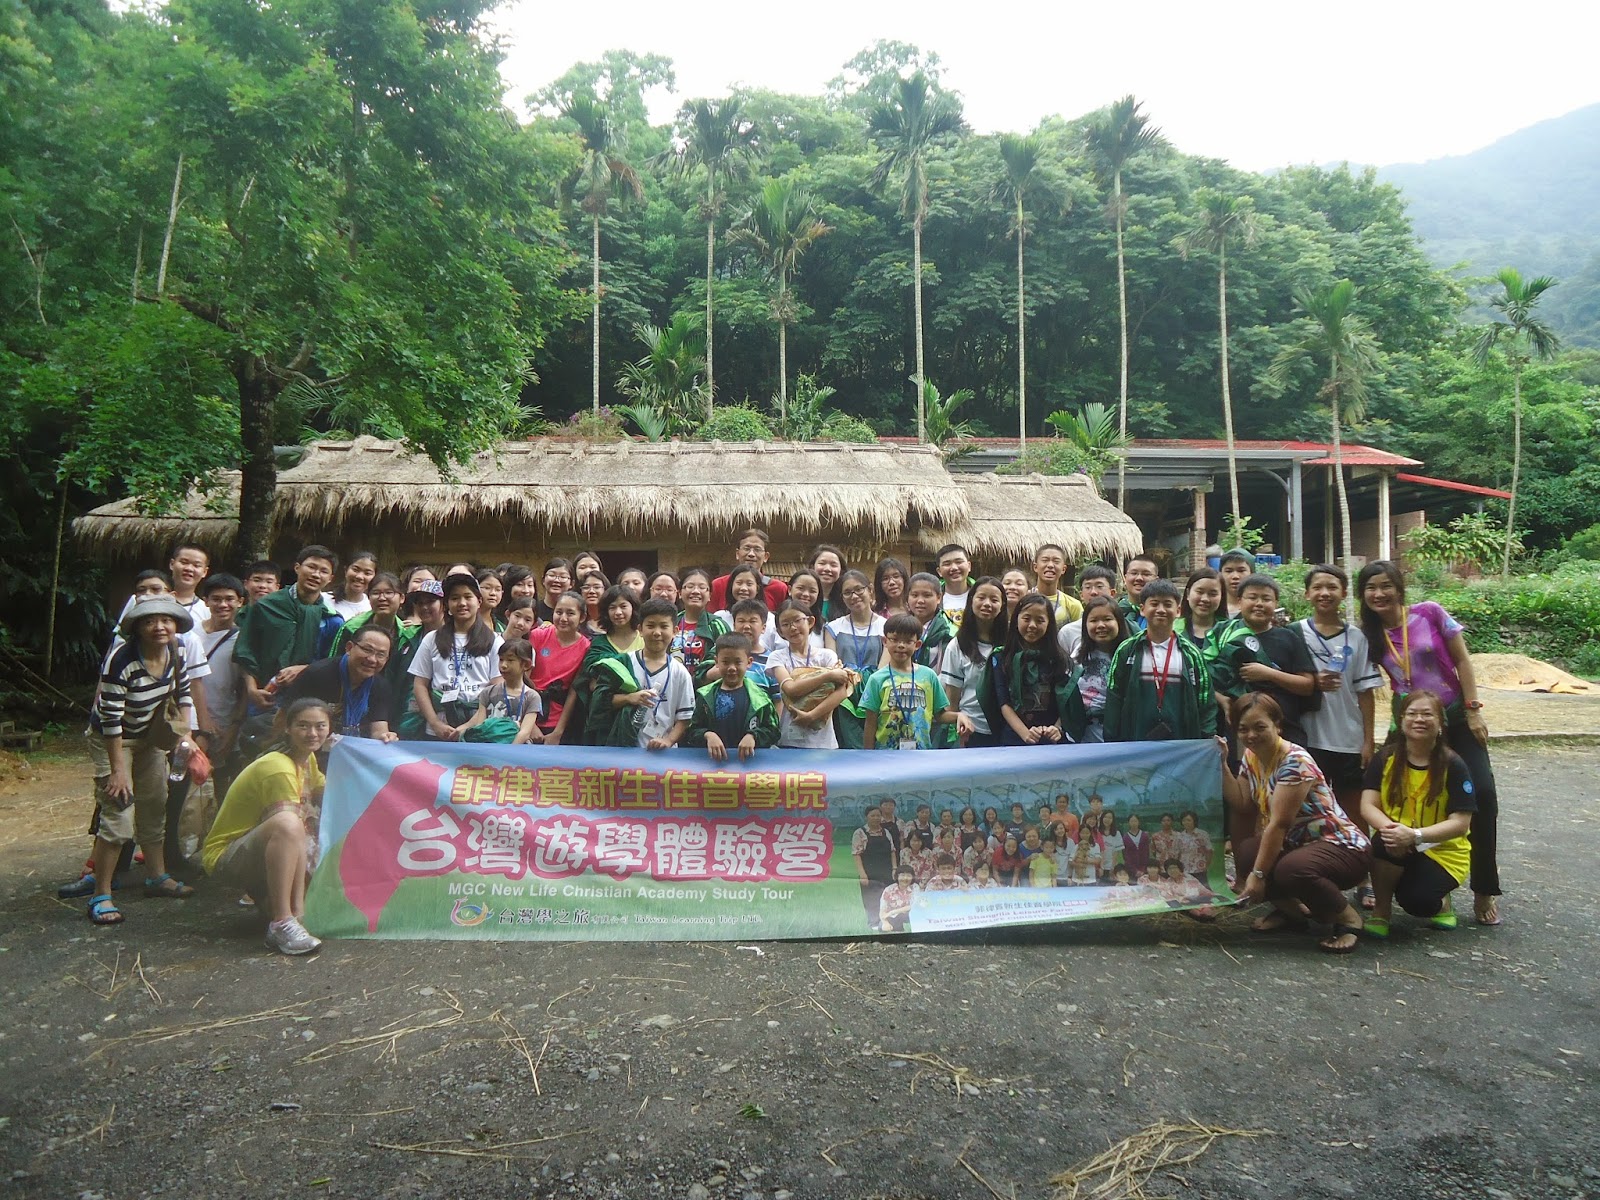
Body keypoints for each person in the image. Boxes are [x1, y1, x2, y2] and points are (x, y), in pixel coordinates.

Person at [1358, 560, 1502, 927]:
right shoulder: (1369, 636)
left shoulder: (1430, 613)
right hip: (1408, 721)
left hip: (1452, 714)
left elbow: (1462, 660)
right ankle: (1395, 886)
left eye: (1384, 585)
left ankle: (1484, 887)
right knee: (1394, 798)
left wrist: (1473, 711)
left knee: (1482, 795)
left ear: (1398, 587)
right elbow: (1364, 685)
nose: (1378, 593)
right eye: (1370, 588)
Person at [1220, 693, 1371, 953]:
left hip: (1343, 846)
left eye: (1260, 727)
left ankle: (1348, 918)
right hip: (1300, 845)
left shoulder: (1295, 761)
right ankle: (1295, 915)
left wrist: (1257, 876)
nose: (1251, 736)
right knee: (1247, 852)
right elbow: (1242, 802)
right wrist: (1220, 763)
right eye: (1243, 729)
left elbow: (1278, 824)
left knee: (1290, 868)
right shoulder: (1252, 757)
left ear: (1278, 725)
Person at [81, 596, 198, 925]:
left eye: (166, 620)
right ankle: (100, 895)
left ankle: (157, 876)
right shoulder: (122, 660)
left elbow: (183, 693)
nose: (159, 627)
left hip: (148, 739)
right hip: (113, 739)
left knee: (154, 803)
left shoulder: (177, 652)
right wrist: (117, 770)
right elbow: (110, 719)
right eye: (149, 621)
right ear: (137, 628)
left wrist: (183, 737)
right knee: (119, 811)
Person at [202, 697, 330, 955]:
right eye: (303, 726)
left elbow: (328, 794)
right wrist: (298, 911)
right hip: (228, 856)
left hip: (262, 848)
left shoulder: (307, 759)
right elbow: (291, 833)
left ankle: (278, 909)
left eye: (320, 726)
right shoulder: (278, 768)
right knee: (289, 822)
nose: (312, 733)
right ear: (288, 727)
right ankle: (284, 921)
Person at [1296, 563, 1383, 905]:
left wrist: (1367, 740)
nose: (1325, 593)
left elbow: (1365, 693)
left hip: (1347, 739)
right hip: (1306, 740)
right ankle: (1304, 881)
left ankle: (1365, 878)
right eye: (1318, 587)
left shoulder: (1357, 638)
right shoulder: (1294, 632)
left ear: (1344, 593)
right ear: (1307, 594)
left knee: (1356, 812)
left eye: (1332, 587)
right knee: (1305, 815)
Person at [1359, 691, 1476, 936]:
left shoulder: (1454, 764)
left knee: (1418, 903)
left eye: (1427, 714)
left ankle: (1443, 902)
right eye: (1412, 714)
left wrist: (1415, 835)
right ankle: (1381, 911)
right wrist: (1390, 830)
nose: (1419, 719)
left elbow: (1461, 823)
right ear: (1401, 721)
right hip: (1398, 840)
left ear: (1441, 724)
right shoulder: (1386, 758)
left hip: (1443, 851)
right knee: (1382, 842)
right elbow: (1368, 804)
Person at [1103, 580, 1217, 742]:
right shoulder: (1128, 650)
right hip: (1135, 740)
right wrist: (1112, 740)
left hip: (1181, 742)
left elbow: (1205, 700)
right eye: (1154, 604)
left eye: (1168, 604)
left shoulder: (1191, 653)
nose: (1161, 610)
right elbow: (1114, 696)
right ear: (1143, 609)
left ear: (1178, 611)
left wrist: (1207, 737)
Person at [1212, 573, 1318, 745]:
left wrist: (1269, 674)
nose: (1259, 604)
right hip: (1240, 732)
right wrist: (1223, 701)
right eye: (1252, 597)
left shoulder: (1288, 637)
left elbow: (1307, 685)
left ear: (1275, 603)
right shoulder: (1223, 634)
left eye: (1266, 598)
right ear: (1240, 601)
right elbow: (1203, 676)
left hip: (1284, 730)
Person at [234, 545, 339, 715]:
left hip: (308, 704)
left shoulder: (331, 620)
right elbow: (246, 652)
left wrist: (304, 669)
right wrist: (252, 690)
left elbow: (334, 662)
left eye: (323, 571)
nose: (315, 574)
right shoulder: (266, 607)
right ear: (297, 568)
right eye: (311, 567)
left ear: (330, 578)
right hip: (265, 697)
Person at [586, 600, 694, 750]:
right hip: (623, 751)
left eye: (664, 626)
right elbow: (599, 703)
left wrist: (668, 741)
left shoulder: (680, 673)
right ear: (640, 630)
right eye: (650, 626)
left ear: (674, 631)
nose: (657, 632)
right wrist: (628, 698)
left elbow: (685, 718)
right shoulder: (623, 663)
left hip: (663, 754)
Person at [409, 572, 504, 741]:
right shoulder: (432, 639)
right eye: (454, 598)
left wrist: (469, 726)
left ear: (479, 601)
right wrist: (435, 723)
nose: (462, 603)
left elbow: (497, 688)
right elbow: (420, 685)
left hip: (479, 727)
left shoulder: (494, 640)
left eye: (468, 597)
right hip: (439, 729)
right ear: (446, 604)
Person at [279, 623, 398, 743]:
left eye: (381, 655)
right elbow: (283, 718)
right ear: (349, 648)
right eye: (367, 650)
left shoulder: (380, 685)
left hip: (348, 749)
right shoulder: (318, 674)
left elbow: (378, 729)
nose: (372, 659)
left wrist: (385, 738)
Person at [860, 613, 958, 751]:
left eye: (907, 641)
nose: (901, 645)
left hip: (920, 754)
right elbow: (870, 722)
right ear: (885, 641)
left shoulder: (929, 676)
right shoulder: (876, 679)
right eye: (894, 639)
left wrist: (959, 716)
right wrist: (868, 755)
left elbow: (940, 715)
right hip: (884, 755)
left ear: (917, 644)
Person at [988, 593, 1070, 746]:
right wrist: (1026, 734)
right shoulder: (1001, 657)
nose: (1032, 625)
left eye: (1040, 620)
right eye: (1026, 619)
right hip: (1014, 739)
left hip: (1051, 738)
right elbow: (1004, 703)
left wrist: (1057, 728)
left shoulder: (1059, 659)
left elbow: (1065, 700)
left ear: (1049, 623)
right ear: (1016, 620)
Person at [683, 634, 780, 762]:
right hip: (712, 767)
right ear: (716, 662)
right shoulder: (705, 696)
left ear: (749, 662)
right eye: (726, 662)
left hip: (750, 768)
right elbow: (691, 730)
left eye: (738, 662)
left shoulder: (760, 699)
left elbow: (773, 730)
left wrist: (753, 736)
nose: (732, 668)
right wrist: (707, 735)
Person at [769, 601, 851, 750]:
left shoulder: (826, 655)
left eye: (797, 620)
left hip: (824, 741)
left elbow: (841, 692)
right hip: (789, 740)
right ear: (780, 631)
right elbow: (791, 689)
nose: (793, 627)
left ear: (810, 621)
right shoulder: (777, 657)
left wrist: (811, 716)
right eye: (786, 624)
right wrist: (827, 676)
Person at [570, 584, 643, 744]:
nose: (618, 613)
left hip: (643, 719)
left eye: (623, 606)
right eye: (612, 608)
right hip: (605, 724)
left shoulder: (645, 640)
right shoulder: (598, 644)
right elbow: (593, 686)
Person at [940, 577, 1006, 748]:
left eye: (994, 600)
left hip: (1007, 729)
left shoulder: (1011, 642)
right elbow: (952, 700)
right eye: (981, 597)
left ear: (1002, 605)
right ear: (971, 600)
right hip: (971, 730)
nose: (987, 604)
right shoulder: (958, 645)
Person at [827, 569, 887, 749]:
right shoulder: (833, 628)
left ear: (870, 590)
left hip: (876, 694)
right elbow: (833, 665)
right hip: (844, 696)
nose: (854, 596)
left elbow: (882, 670)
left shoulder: (886, 626)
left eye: (859, 590)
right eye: (847, 592)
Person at [1061, 597, 1128, 744]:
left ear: (1119, 622)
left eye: (1107, 619)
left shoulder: (1128, 655)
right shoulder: (1078, 654)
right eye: (1093, 620)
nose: (1101, 625)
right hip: (1078, 737)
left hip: (1115, 737)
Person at [530, 591, 590, 745]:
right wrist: (530, 723)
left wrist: (558, 731)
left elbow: (573, 691)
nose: (563, 618)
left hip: (558, 720)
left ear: (582, 617)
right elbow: (523, 680)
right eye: (559, 612)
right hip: (528, 714)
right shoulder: (537, 635)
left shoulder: (586, 647)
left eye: (570, 613)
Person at [459, 638, 545, 745]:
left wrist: (508, 752)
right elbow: (481, 728)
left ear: (526, 665)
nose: (503, 665)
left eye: (510, 660)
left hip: (517, 751)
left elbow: (524, 733)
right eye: (501, 659)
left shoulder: (532, 696)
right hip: (489, 749)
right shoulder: (488, 692)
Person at [671, 567, 728, 683]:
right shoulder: (671, 621)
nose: (695, 591)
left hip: (705, 689)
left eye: (702, 587)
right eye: (690, 586)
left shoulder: (716, 624)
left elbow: (727, 655)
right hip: (672, 686)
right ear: (680, 593)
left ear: (710, 595)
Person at [710, 529, 789, 614]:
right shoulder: (718, 585)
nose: (751, 554)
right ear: (737, 553)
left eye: (757, 549)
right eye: (746, 548)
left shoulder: (779, 589)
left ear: (766, 556)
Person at [714, 565, 778, 651]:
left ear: (757, 588)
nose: (743, 588)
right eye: (739, 583)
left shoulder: (770, 619)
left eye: (749, 584)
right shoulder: (719, 618)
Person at [853, 806, 898, 927]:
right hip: (869, 872)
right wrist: (862, 874)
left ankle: (889, 922)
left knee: (888, 897)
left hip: (887, 871)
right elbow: (856, 854)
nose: (876, 818)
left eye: (878, 815)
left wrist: (894, 868)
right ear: (867, 817)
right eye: (872, 815)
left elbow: (892, 851)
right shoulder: (860, 833)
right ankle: (873, 924)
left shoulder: (886, 832)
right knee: (871, 899)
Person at [1060, 565, 1119, 658]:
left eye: (1099, 586)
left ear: (1112, 593)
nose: (1093, 592)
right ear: (1081, 595)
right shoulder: (1068, 632)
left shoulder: (1123, 627)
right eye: (1088, 587)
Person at [905, 573, 954, 678]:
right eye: (914, 595)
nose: (920, 601)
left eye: (927, 595)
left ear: (939, 597)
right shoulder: (900, 628)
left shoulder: (948, 630)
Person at [1031, 544, 1084, 627]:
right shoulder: (1023, 600)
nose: (1050, 565)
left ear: (1063, 569)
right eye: (1045, 560)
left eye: (1056, 561)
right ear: (1035, 567)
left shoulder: (1073, 605)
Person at [784, 570, 836, 652]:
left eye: (812, 591)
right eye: (800, 588)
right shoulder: (775, 623)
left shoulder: (823, 627)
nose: (806, 594)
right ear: (790, 590)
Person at [328, 550, 377, 620]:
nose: (359, 576)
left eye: (367, 573)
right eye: (355, 570)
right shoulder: (324, 600)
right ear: (346, 570)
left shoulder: (372, 607)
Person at [1117, 554, 1159, 631]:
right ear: (1125, 578)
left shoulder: (1163, 613)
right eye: (1134, 573)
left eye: (1146, 574)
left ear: (1156, 580)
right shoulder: (1115, 611)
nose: (1139, 578)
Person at [935, 544, 972, 625]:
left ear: (969, 566)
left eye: (959, 562)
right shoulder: (932, 598)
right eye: (947, 564)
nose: (954, 568)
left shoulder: (982, 595)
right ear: (939, 571)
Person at [809, 544, 847, 620]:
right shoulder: (803, 598)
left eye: (833, 565)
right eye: (822, 563)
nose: (827, 569)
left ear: (841, 571)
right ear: (812, 567)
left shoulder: (846, 602)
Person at [877, 862, 917, 931]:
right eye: (902, 875)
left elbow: (914, 906)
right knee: (882, 927)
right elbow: (882, 910)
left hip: (909, 917)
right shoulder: (889, 889)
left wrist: (893, 912)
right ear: (897, 877)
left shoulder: (915, 887)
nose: (905, 878)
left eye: (908, 875)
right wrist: (885, 922)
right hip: (893, 918)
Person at [1218, 549, 1256, 620]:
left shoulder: (1258, 609)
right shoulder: (1214, 608)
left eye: (1241, 570)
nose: (1235, 576)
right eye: (1229, 571)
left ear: (1252, 573)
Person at [535, 558, 573, 623]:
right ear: (543, 580)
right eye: (552, 575)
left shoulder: (575, 611)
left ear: (572, 583)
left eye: (563, 577)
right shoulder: (534, 609)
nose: (556, 580)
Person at [578, 570, 610, 638]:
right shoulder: (576, 620)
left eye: (597, 587)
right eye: (586, 587)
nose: (591, 591)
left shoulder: (613, 619)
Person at [1121, 813, 1151, 880]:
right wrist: (1135, 870)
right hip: (1131, 870)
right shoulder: (1125, 838)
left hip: (1144, 869)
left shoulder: (1144, 836)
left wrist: (1143, 869)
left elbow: (1147, 853)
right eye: (1131, 821)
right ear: (1128, 822)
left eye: (1135, 821)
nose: (1133, 823)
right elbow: (1125, 855)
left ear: (1139, 822)